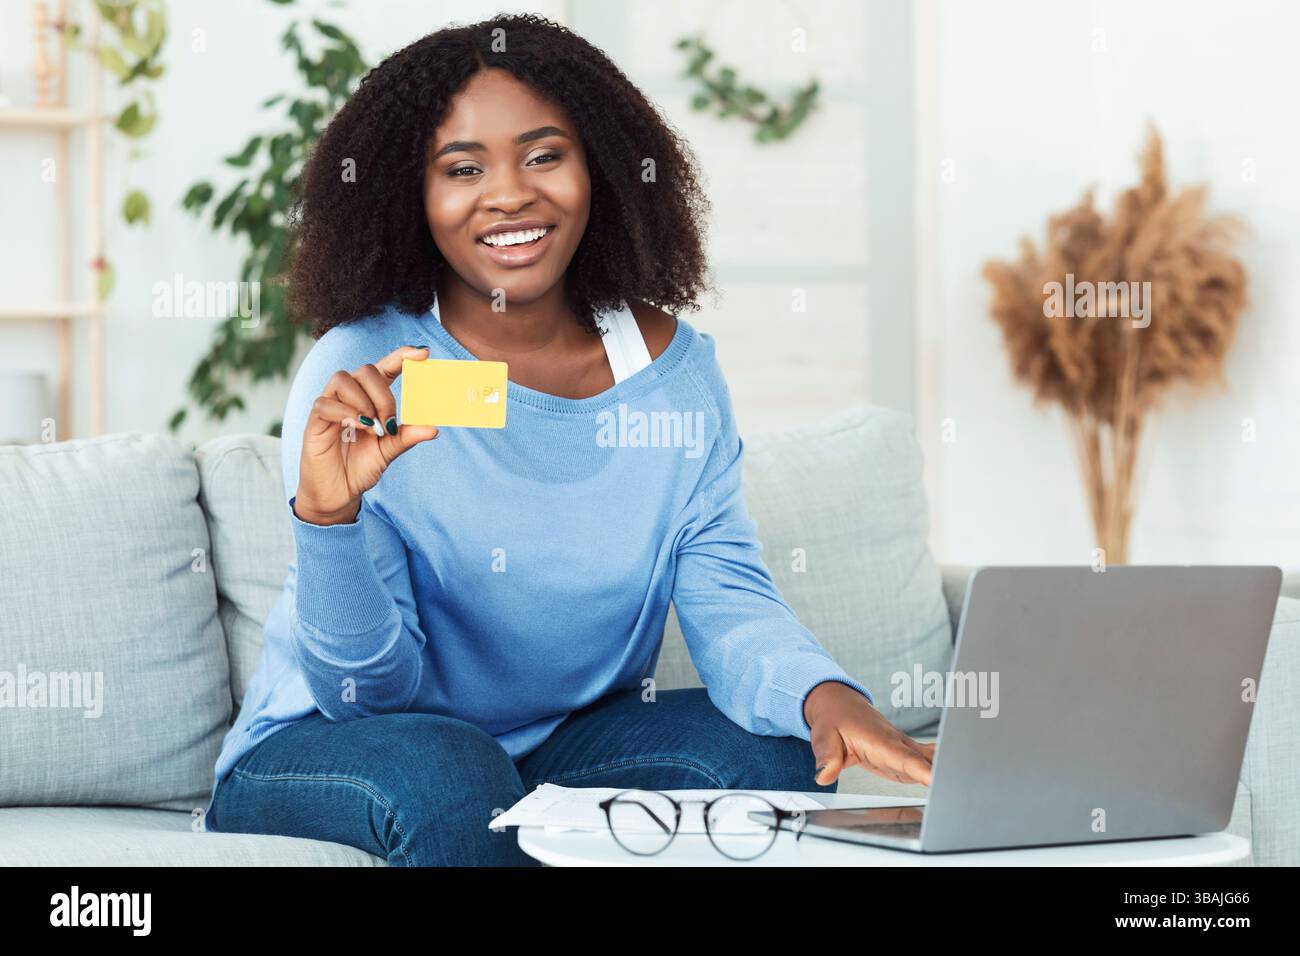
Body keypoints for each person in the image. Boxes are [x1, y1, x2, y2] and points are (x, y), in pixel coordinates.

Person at [203, 12, 934, 866]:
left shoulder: (678, 375)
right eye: (462, 168)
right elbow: (369, 693)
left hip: (562, 747)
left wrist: (825, 695)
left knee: (767, 757)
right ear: (414, 195)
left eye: (544, 155)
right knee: (450, 775)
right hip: (333, 746)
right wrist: (327, 519)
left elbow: (728, 599)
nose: (511, 193)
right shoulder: (370, 369)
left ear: (602, 171)